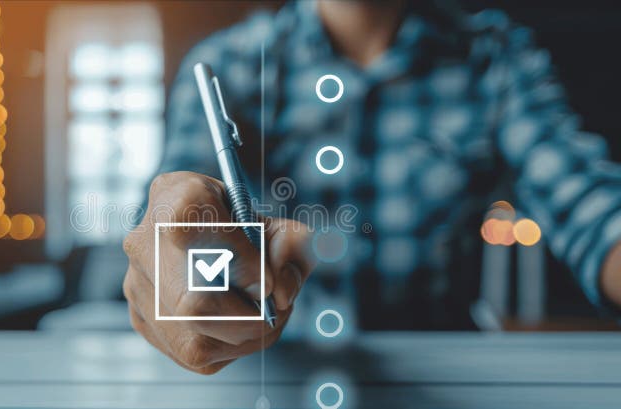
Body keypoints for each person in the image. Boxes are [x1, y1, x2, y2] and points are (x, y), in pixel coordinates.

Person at [122, 0, 621, 374]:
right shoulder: (229, 63)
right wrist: (170, 265)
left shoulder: (493, 58)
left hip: (448, 377)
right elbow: (174, 213)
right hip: (271, 374)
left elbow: (589, 207)